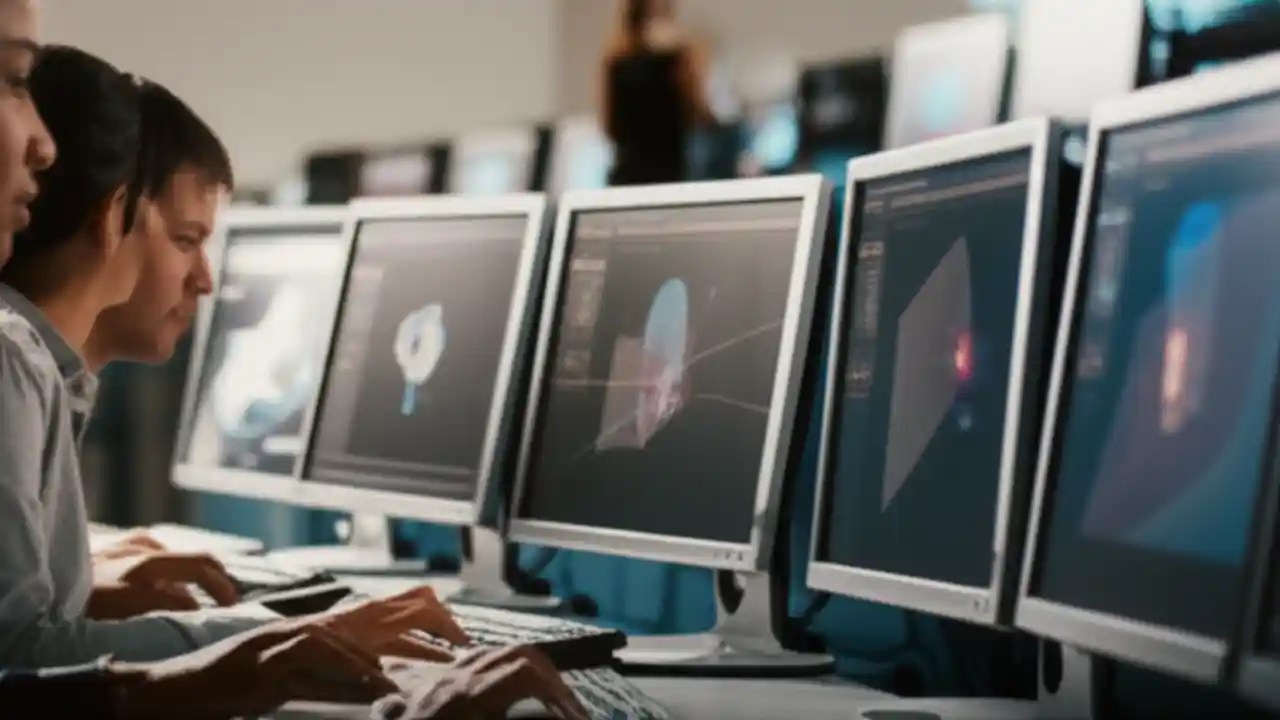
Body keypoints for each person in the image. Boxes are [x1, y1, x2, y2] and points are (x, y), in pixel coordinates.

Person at [600, 0, 712, 185]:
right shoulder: (619, 57)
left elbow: (609, 125)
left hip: (654, 167)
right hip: (655, 168)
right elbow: (699, 111)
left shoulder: (618, 56)